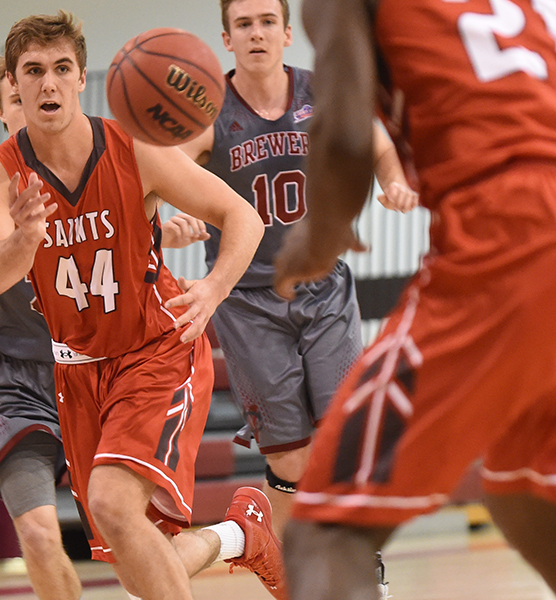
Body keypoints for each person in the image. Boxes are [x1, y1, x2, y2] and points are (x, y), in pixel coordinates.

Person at [275, 1, 556, 599]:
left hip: (514, 229)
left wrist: (318, 237)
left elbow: (344, 137)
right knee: (534, 511)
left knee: (326, 531)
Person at [0, 12, 283, 600]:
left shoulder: (134, 149)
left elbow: (243, 216)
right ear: (13, 82)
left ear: (82, 77)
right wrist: (24, 238)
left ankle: (243, 536)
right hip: (78, 373)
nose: (49, 83)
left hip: (154, 351)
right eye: (33, 71)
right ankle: (242, 535)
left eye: (62, 68)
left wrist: (213, 288)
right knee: (138, 565)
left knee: (112, 504)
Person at [176, 0, 417, 547]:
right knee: (290, 459)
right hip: (248, 300)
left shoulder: (321, 90)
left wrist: (395, 181)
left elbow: (379, 143)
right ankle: (287, 560)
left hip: (322, 286)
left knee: (342, 439)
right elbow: (165, 171)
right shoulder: (209, 110)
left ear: (287, 34)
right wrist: (172, 217)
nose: (256, 33)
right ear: (226, 39)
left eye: (267, 22)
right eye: (243, 24)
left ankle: (353, 564)